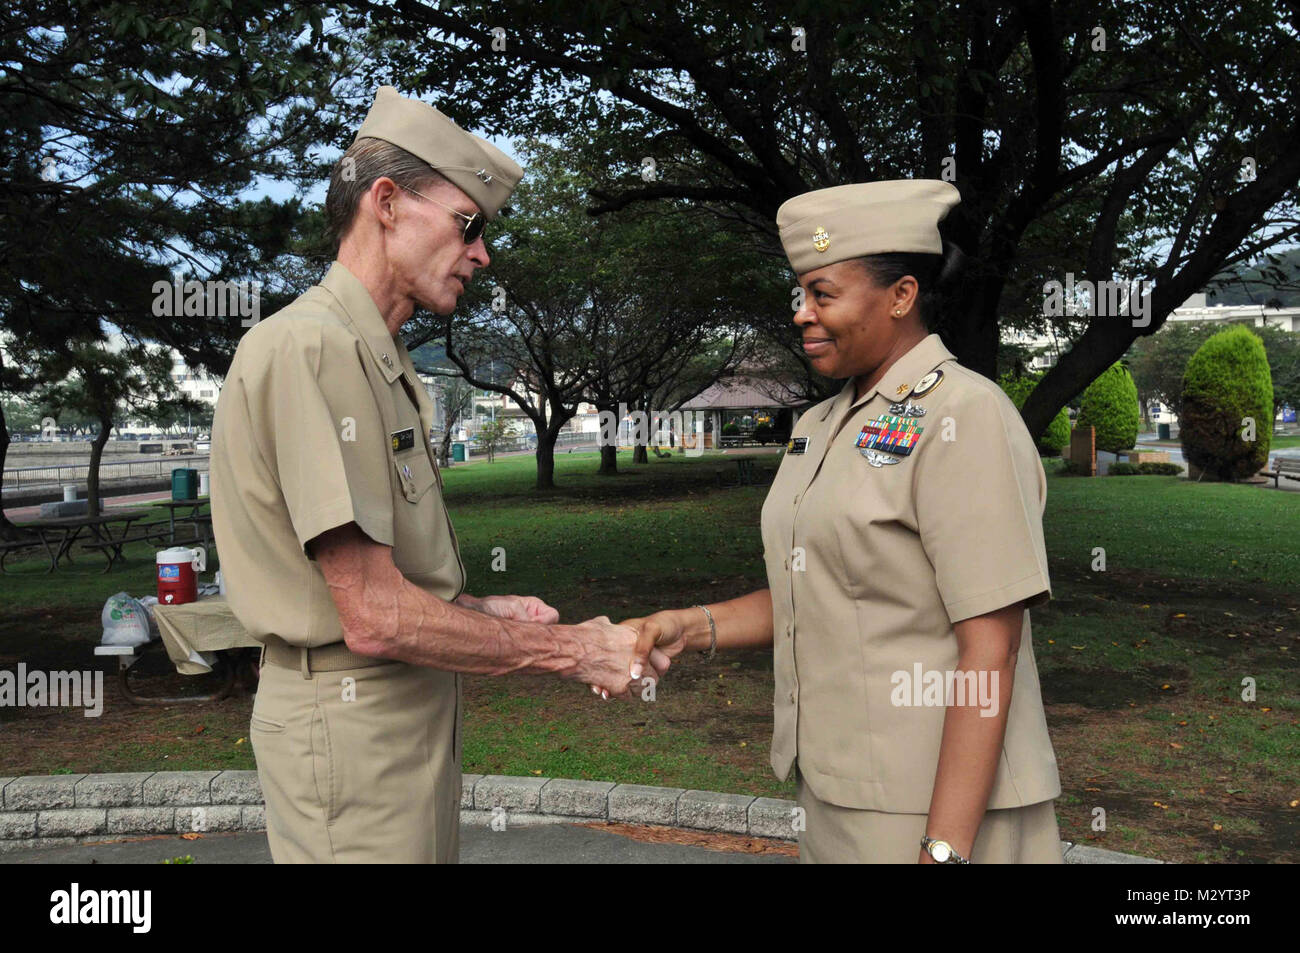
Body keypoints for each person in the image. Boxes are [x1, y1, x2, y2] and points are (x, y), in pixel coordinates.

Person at [211, 87, 661, 864]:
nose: (482, 252)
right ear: (386, 202)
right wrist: (575, 651)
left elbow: (373, 579)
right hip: (352, 731)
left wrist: (484, 607)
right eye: (469, 224)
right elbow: (374, 616)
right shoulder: (309, 349)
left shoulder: (377, 358)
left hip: (398, 723)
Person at [624, 180, 1063, 863]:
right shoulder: (822, 423)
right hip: (839, 794)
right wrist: (694, 624)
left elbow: (990, 651)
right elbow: (823, 586)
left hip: (937, 804)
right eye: (798, 294)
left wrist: (942, 849)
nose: (802, 314)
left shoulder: (963, 416)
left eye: (822, 294)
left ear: (901, 296)